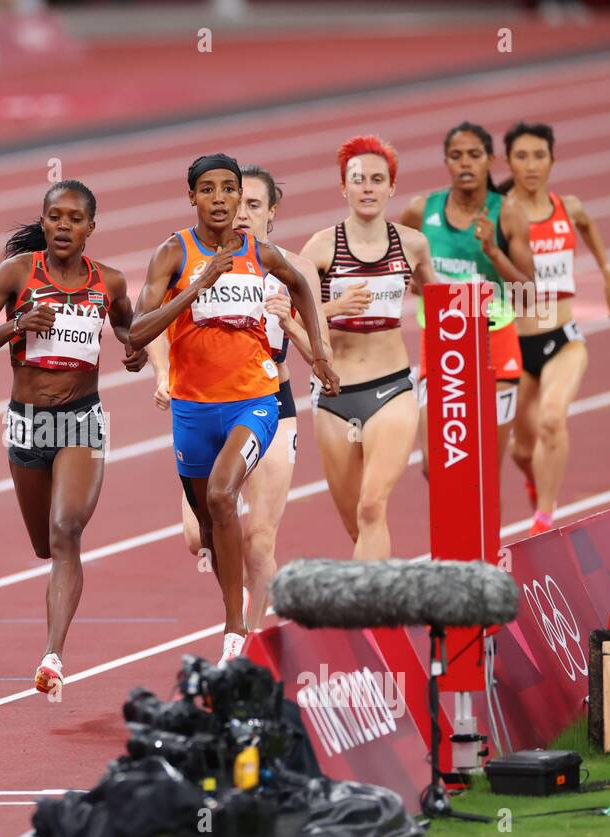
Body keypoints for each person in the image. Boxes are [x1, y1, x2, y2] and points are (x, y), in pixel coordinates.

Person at [129, 154, 338, 664]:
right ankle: (236, 612)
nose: (221, 200)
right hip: (194, 408)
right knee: (202, 528)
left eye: (231, 190)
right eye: (209, 190)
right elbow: (138, 331)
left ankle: (235, 633)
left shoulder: (262, 255)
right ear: (193, 198)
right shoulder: (173, 253)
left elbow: (304, 289)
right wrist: (198, 287)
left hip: (258, 401)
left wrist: (321, 353)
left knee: (228, 503)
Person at [0, 180, 147, 696]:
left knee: (66, 531)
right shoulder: (16, 274)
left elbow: (131, 333)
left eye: (74, 218)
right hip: (27, 423)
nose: (63, 226)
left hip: (82, 421)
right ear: (43, 223)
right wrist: (17, 325)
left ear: (91, 227)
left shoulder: (109, 282)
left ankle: (52, 656)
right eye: (55, 217)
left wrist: (137, 352)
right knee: (44, 544)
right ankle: (54, 626)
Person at [300, 135, 437, 558]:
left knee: (372, 507)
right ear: (344, 186)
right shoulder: (321, 247)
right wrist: (335, 305)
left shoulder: (412, 245)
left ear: (391, 187)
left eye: (378, 179)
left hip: (391, 389)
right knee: (355, 525)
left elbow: (442, 305)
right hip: (335, 395)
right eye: (358, 179)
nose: (368, 187)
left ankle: (368, 622)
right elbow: (291, 317)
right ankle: (386, 599)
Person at [501, 121, 610, 534]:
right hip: (515, 344)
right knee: (520, 449)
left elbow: (588, 224)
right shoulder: (499, 214)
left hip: (563, 338)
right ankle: (536, 481)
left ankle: (544, 519)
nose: (531, 165)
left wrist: (607, 273)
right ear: (508, 162)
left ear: (552, 160)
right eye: (522, 156)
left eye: (539, 156)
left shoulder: (567, 206)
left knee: (553, 420)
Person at [400, 122, 535, 478]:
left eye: (474, 155)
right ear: (446, 162)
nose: (465, 164)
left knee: (485, 469)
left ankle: (489, 537)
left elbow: (530, 294)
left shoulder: (507, 213)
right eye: (456, 156)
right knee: (437, 468)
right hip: (441, 346)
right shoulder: (420, 211)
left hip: (496, 346)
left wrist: (493, 251)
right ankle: (456, 536)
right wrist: (421, 282)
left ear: (490, 160)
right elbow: (403, 269)